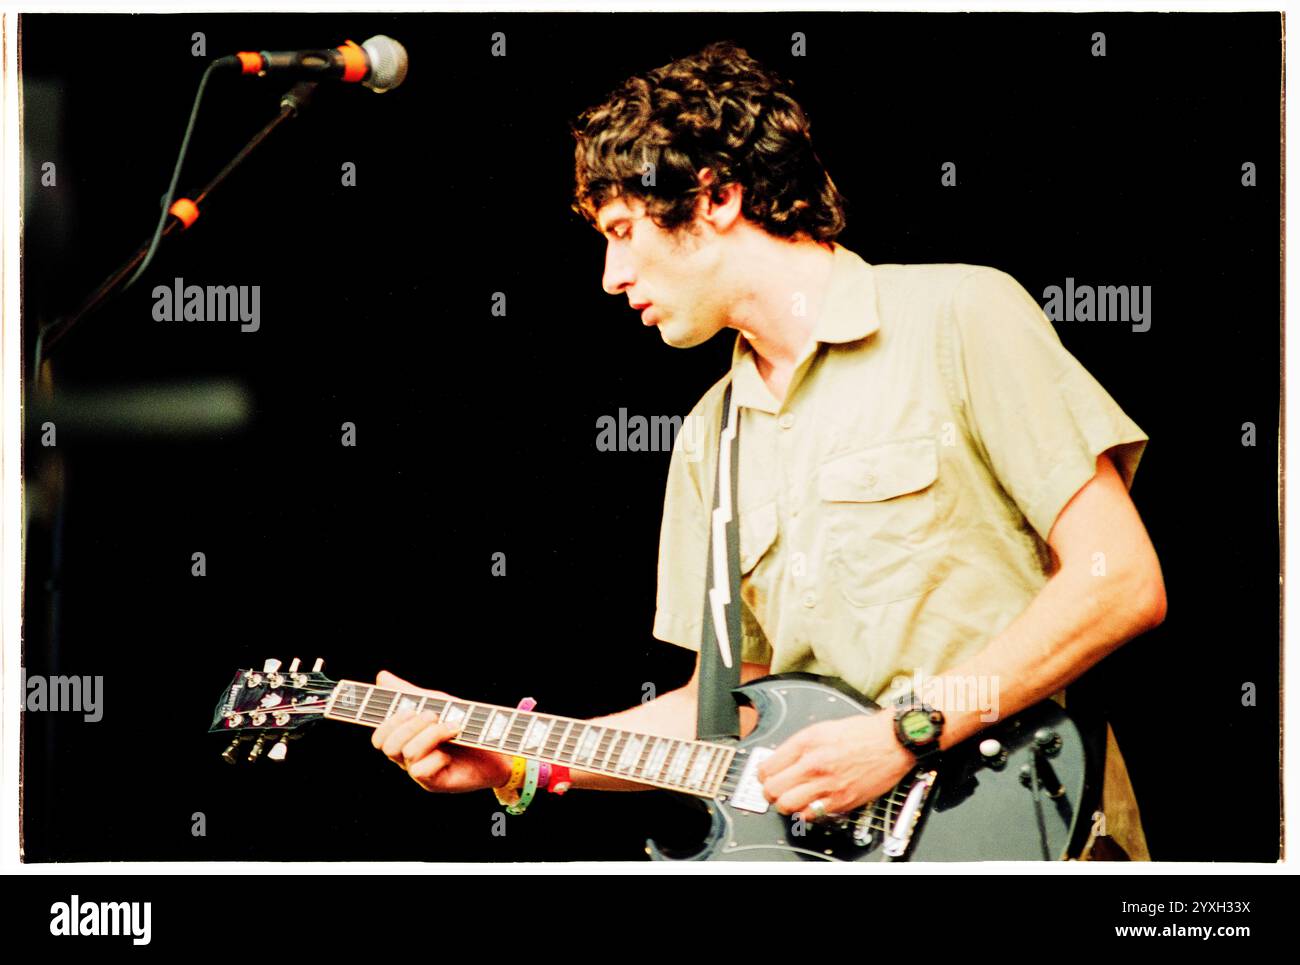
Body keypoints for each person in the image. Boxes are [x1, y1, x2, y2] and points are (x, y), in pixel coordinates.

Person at [371, 41, 1166, 860]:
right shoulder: (709, 438)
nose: (609, 276)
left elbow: (1122, 582)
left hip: (1031, 826)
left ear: (714, 197)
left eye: (621, 230)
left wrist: (906, 731)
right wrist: (519, 755)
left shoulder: (962, 314)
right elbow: (722, 716)